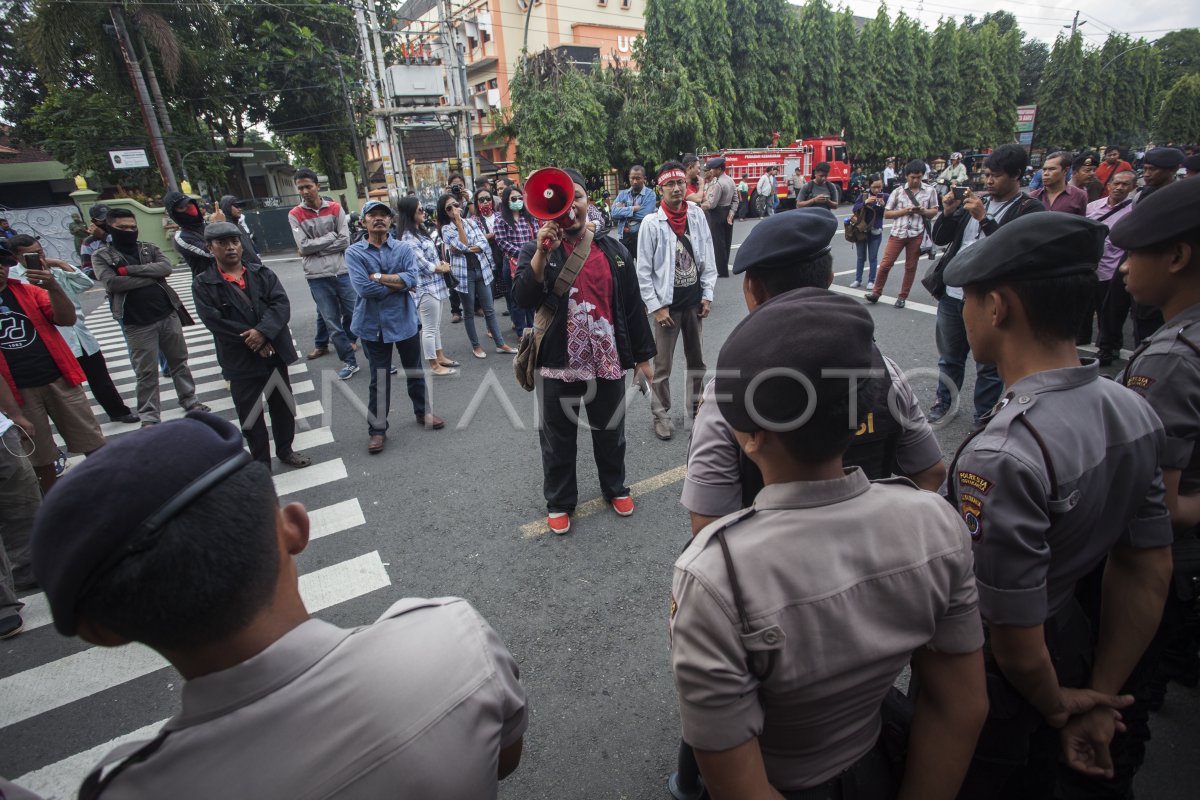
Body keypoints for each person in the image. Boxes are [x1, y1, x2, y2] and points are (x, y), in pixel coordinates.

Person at [29, 411, 527, 798]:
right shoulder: (453, 639)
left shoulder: (130, 788)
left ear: (99, 631)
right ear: (294, 527)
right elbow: (503, 760)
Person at [670, 288, 987, 800]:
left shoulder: (714, 577)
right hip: (880, 757)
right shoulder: (935, 524)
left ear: (750, 437)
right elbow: (961, 705)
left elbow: (735, 782)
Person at [941, 212, 1174, 800]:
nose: (963, 314)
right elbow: (1147, 568)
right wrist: (1101, 693)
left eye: (967, 299)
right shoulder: (1131, 409)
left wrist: (1060, 706)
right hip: (1075, 642)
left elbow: (1012, 634)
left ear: (997, 308)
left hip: (1008, 678)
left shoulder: (1003, 453)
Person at [680, 208, 946, 537]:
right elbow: (930, 473)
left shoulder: (728, 391)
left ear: (754, 290)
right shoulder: (883, 370)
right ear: (830, 278)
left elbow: (707, 525)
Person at [513, 168, 655, 535]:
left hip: (606, 361)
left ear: (586, 200)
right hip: (557, 363)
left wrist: (642, 357)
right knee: (557, 439)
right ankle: (560, 501)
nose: (571, 206)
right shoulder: (534, 249)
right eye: (564, 199)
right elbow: (523, 298)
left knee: (610, 432)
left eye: (576, 195)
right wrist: (542, 256)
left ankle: (614, 487)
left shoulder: (614, 250)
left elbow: (632, 306)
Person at [1110, 177, 1200, 712]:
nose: (1122, 267)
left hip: (1168, 561)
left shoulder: (1169, 360)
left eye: (1132, 254)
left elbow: (1159, 508)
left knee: (1125, 707)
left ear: (1176, 256)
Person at [926, 144, 1044, 425]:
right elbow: (941, 239)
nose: (989, 181)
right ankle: (945, 401)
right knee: (950, 357)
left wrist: (985, 219)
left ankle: (984, 415)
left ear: (1016, 175)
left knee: (989, 363)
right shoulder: (975, 201)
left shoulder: (1029, 209)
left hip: (991, 298)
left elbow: (1014, 252)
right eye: (987, 175)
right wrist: (946, 212)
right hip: (954, 293)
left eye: (996, 176)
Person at [192, 222, 311, 471]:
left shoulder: (261, 273)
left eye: (234, 242)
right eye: (222, 243)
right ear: (210, 247)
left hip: (273, 351)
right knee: (251, 414)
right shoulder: (204, 283)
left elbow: (280, 305)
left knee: (282, 405)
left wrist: (263, 333)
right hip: (240, 358)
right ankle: (261, 463)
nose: (230, 248)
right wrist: (254, 340)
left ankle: (285, 449)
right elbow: (214, 321)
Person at [0, 244, 106, 495]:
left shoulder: (28, 291)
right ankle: (51, 507)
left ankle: (109, 490)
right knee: (40, 458)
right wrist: (12, 412)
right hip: (17, 392)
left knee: (93, 442)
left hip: (60, 379)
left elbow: (66, 319)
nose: (0, 270)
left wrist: (53, 286)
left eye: (3, 263)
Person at [90, 208, 209, 429]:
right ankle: (149, 415)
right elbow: (112, 283)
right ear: (110, 228)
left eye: (132, 227)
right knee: (145, 371)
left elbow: (165, 268)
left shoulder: (148, 248)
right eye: (122, 228)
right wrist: (151, 277)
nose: (129, 231)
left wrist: (128, 271)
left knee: (179, 361)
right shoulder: (102, 255)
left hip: (166, 313)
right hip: (136, 322)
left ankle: (190, 400)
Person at [6, 235, 138, 424]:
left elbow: (85, 284)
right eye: (31, 254)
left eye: (39, 251)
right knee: (67, 387)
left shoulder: (55, 270)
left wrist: (60, 263)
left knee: (100, 378)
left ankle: (118, 411)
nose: (38, 256)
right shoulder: (13, 278)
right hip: (53, 340)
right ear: (16, 256)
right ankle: (78, 423)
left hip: (79, 333)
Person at [347, 201, 445, 455]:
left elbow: (413, 278)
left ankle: (423, 412)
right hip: (372, 324)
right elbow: (363, 289)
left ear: (391, 221)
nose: (379, 219)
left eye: (384, 215)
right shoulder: (354, 252)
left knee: (414, 370)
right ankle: (377, 430)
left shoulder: (402, 247)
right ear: (363, 221)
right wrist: (398, 283)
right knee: (378, 379)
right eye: (373, 215)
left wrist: (378, 276)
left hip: (404, 319)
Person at [636, 161, 717, 442]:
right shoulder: (651, 223)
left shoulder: (695, 215)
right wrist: (656, 307)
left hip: (694, 303)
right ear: (660, 189)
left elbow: (708, 257)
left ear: (686, 185)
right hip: (667, 309)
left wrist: (707, 294)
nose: (676, 188)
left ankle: (696, 410)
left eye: (680, 183)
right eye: (669, 184)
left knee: (697, 361)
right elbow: (643, 271)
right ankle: (661, 415)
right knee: (662, 366)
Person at [288, 168, 360, 381]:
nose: (305, 191)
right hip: (317, 277)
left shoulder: (336, 208)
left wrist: (314, 247)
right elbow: (302, 245)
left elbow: (344, 240)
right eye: (300, 188)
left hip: (342, 272)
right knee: (331, 322)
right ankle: (349, 361)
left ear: (317, 186)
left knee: (357, 315)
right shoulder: (294, 214)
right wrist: (330, 238)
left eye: (308, 186)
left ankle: (379, 358)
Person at [438, 193, 516, 360]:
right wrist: (459, 226)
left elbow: (483, 244)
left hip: (482, 269)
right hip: (464, 274)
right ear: (444, 212)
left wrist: (464, 248)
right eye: (448, 208)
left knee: (489, 309)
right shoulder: (446, 229)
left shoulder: (472, 222)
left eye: (454, 204)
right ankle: (476, 346)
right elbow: (464, 244)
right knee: (468, 312)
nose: (453, 209)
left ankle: (500, 343)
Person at [396, 196, 458, 377]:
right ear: (410, 214)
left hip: (434, 285)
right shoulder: (407, 238)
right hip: (424, 288)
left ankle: (440, 356)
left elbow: (430, 256)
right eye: (419, 210)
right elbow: (421, 265)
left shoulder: (419, 231)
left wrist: (441, 264)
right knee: (429, 329)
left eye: (423, 209)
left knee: (435, 326)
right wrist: (441, 267)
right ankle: (433, 364)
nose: (423, 212)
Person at [864, 159, 937, 309]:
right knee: (885, 264)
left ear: (923, 175)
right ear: (906, 176)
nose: (916, 180)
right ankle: (876, 292)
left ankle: (902, 296)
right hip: (898, 232)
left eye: (919, 177)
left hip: (917, 233)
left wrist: (923, 211)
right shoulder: (898, 191)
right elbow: (887, 213)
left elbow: (934, 211)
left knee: (910, 267)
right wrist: (905, 211)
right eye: (912, 177)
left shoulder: (930, 191)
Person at [0, 376, 41, 640]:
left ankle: (30, 569)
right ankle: (2, 604)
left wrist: (14, 414)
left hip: (2, 436)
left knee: (26, 506)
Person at [1084, 170, 1136, 359]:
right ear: (1109, 185)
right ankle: (1083, 338)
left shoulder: (1132, 211)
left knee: (1109, 311)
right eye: (1117, 183)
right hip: (1091, 267)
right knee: (1086, 307)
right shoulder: (1092, 207)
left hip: (1113, 270)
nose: (1120, 188)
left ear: (1133, 188)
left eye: (1125, 184)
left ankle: (1108, 347)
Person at [493, 185, 539, 339]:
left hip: (531, 262)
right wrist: (523, 253)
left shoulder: (529, 217)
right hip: (511, 263)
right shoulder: (500, 219)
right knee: (516, 299)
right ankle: (521, 332)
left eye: (520, 198)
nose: (518, 201)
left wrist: (532, 254)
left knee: (532, 296)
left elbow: (537, 236)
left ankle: (533, 328)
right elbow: (501, 241)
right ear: (506, 200)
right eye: (514, 198)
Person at [611, 165, 657, 266]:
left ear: (644, 179)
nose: (635, 181)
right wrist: (633, 208)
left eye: (638, 178)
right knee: (625, 268)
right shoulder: (623, 194)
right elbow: (613, 213)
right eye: (632, 178)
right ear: (629, 178)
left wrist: (623, 210)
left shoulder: (650, 194)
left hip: (643, 237)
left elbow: (645, 214)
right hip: (624, 237)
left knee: (644, 267)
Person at [701, 157, 738, 278]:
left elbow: (712, 204)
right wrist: (731, 213)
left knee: (718, 243)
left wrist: (700, 206)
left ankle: (721, 271)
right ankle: (724, 266)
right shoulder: (731, 181)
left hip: (717, 214)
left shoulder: (718, 184)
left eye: (713, 169)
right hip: (727, 213)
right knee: (727, 241)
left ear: (719, 169)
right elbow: (735, 200)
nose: (711, 171)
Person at [163, 191, 215, 277]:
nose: (190, 209)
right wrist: (220, 225)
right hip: (209, 285)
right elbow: (212, 252)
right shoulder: (182, 237)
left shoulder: (207, 225)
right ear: (175, 213)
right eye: (182, 207)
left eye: (190, 204)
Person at [849, 174, 887, 289]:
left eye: (879, 187)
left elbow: (889, 212)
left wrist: (883, 206)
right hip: (861, 230)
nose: (877, 190)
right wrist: (865, 202)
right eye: (875, 187)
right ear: (869, 185)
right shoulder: (863, 196)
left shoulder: (885, 196)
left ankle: (871, 280)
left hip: (876, 230)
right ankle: (858, 279)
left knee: (873, 257)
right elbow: (855, 209)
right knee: (860, 257)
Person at [215, 195, 261, 265]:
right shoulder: (226, 229)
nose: (239, 209)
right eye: (236, 206)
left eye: (240, 206)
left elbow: (249, 250)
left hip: (254, 268)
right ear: (227, 207)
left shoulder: (239, 226)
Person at [79, 205, 110, 278]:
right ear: (94, 222)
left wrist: (105, 236)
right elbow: (87, 270)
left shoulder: (121, 232)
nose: (108, 222)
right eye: (104, 220)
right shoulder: (89, 242)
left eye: (111, 218)